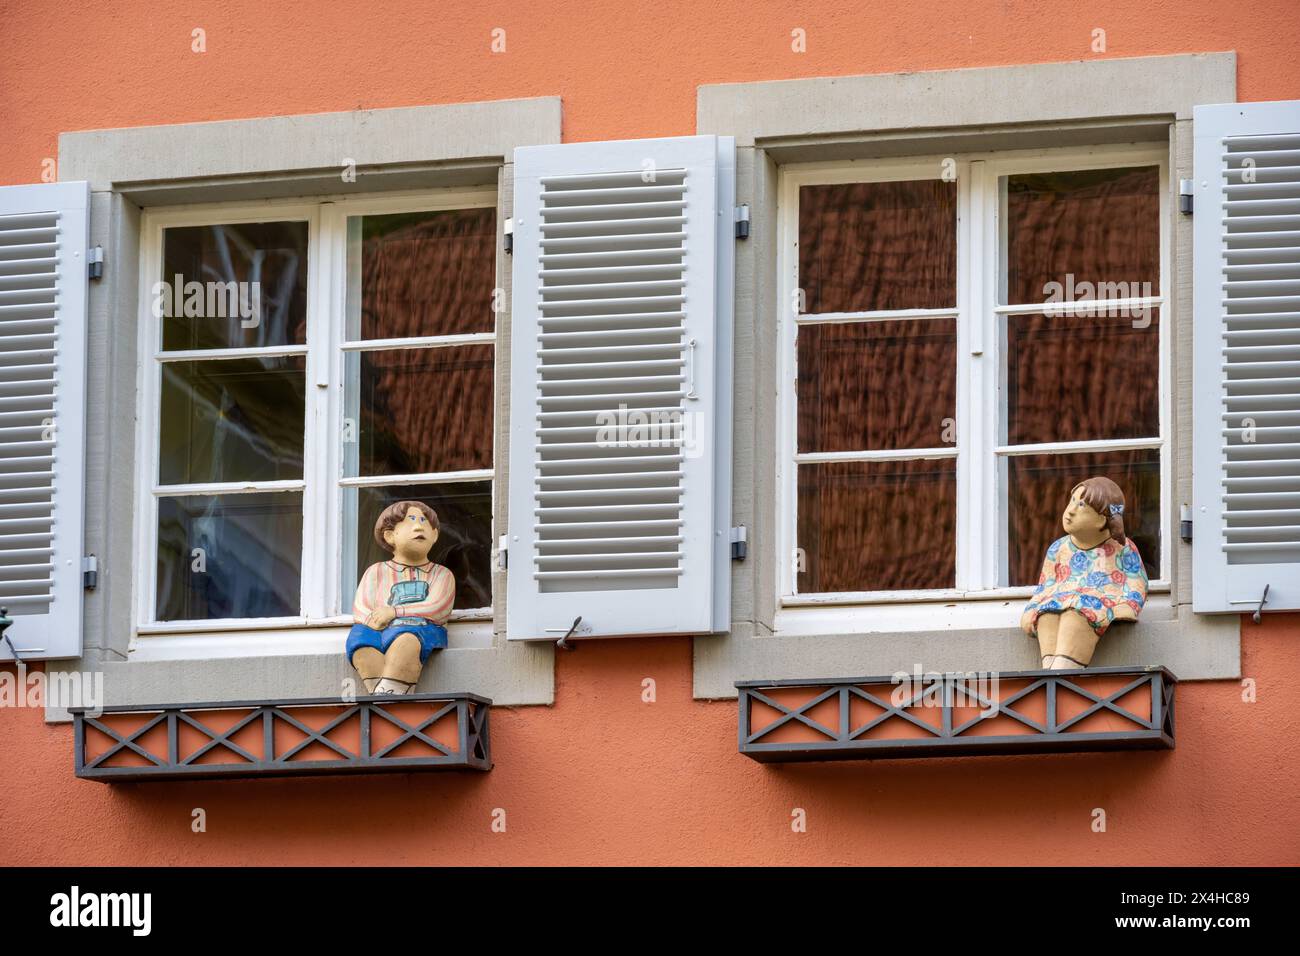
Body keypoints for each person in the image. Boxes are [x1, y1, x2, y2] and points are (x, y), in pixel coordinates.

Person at [1020, 476, 1148, 669]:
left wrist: (1129, 606)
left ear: (1101, 521)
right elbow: (1045, 585)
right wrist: (1032, 609)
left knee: (1075, 615)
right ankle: (1049, 674)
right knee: (1046, 615)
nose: (1070, 511)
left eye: (1081, 506)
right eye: (1072, 501)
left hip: (1098, 602)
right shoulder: (1059, 548)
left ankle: (1063, 671)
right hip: (1060, 600)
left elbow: (1136, 582)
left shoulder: (1122, 548)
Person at [346, 501, 455, 694]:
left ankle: (392, 694)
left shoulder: (441, 574)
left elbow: (438, 607)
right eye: (410, 521)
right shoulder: (377, 571)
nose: (418, 526)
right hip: (380, 629)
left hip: (423, 629)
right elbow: (362, 606)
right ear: (390, 536)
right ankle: (382, 694)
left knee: (406, 640)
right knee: (361, 640)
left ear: (435, 535)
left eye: (423, 521)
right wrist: (371, 622)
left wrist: (395, 612)